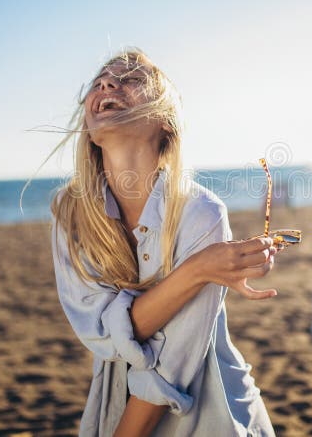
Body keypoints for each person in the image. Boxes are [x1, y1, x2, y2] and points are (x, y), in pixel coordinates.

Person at [49, 49, 276, 436]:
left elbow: (168, 374)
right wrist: (197, 271)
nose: (106, 83)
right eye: (99, 81)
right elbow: (101, 335)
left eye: (131, 79)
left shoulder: (201, 214)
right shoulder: (70, 214)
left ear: (165, 122)